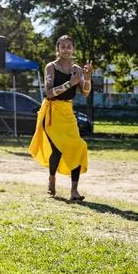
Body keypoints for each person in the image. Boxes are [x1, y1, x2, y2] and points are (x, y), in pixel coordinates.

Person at [30, 35, 92, 200]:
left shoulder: (77, 70)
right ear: (57, 49)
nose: (66, 49)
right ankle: (52, 179)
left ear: (73, 49)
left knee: (78, 146)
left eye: (69, 46)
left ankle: (74, 191)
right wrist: (70, 83)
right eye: (62, 46)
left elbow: (85, 93)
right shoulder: (51, 67)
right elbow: (48, 93)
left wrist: (88, 76)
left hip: (68, 113)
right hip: (52, 113)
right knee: (57, 148)